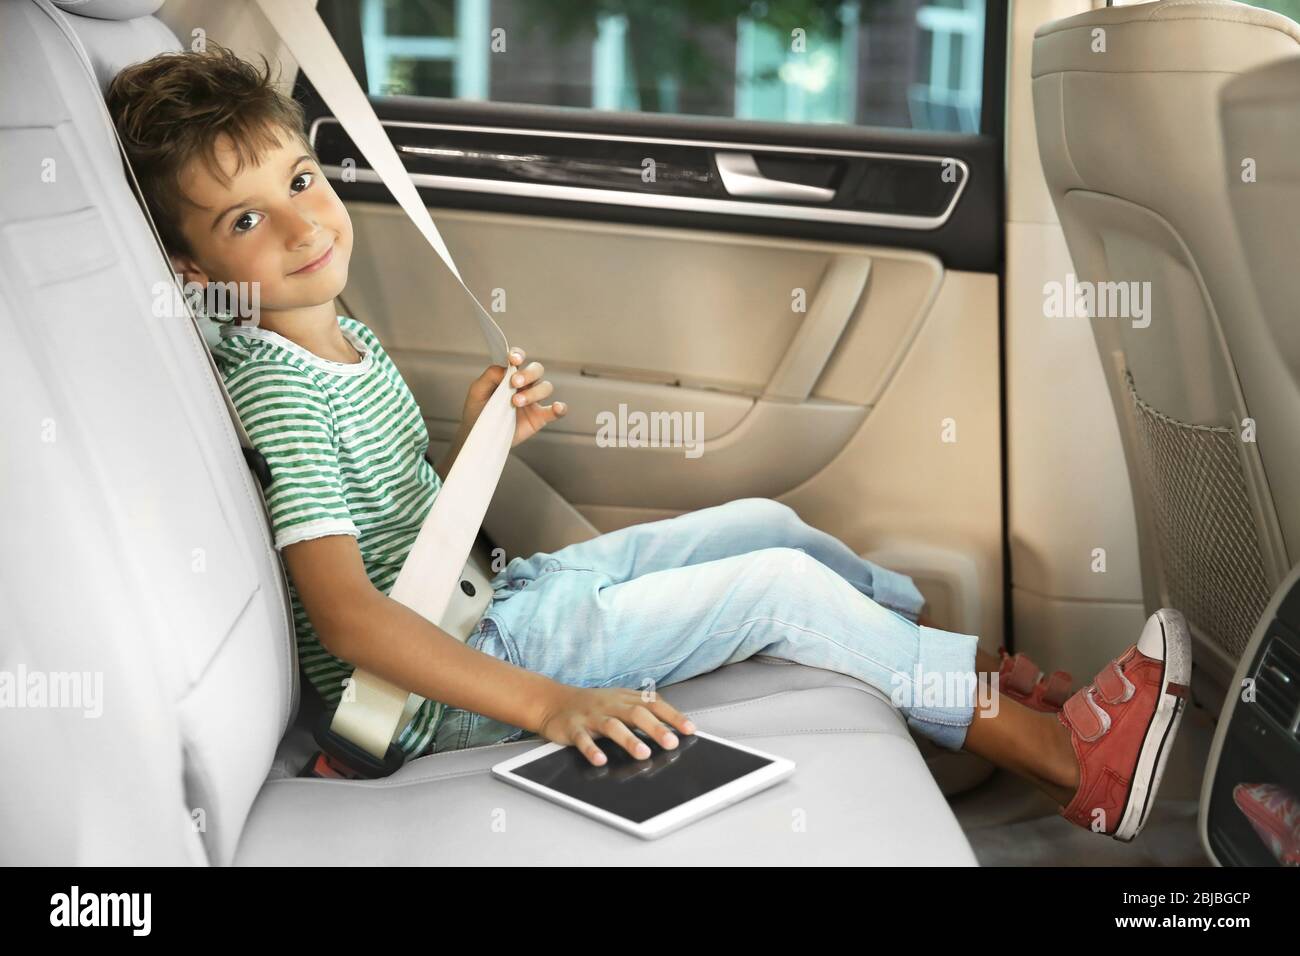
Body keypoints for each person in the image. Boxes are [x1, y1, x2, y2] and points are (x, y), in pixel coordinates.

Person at [106, 42, 1190, 842]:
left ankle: (987, 684)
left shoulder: (333, 332)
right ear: (198, 280)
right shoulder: (281, 394)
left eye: (300, 181)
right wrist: (546, 703)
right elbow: (348, 613)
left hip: (491, 595)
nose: (302, 225)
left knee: (769, 522)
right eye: (246, 220)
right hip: (452, 681)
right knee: (779, 587)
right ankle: (1065, 760)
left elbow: (404, 526)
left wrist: (486, 441)